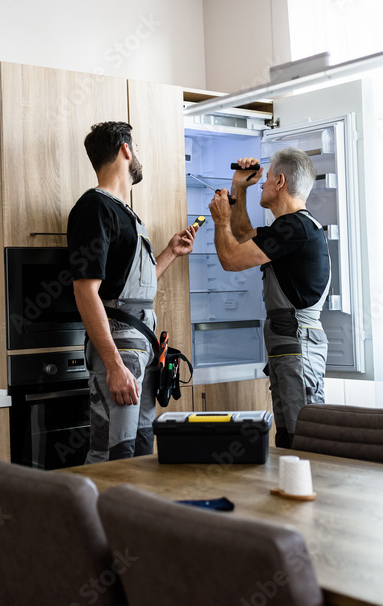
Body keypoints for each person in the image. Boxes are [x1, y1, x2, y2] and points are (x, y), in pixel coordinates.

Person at [68, 121, 197, 463]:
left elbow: (131, 288)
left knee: (140, 451)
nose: (137, 155)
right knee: (112, 453)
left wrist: (169, 252)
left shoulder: (126, 214)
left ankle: (131, 517)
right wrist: (113, 365)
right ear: (126, 149)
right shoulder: (94, 209)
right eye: (135, 148)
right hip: (119, 350)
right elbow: (86, 292)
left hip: (141, 347)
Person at [208, 149, 330, 448]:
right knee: (289, 437)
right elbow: (243, 235)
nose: (260, 184)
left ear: (280, 181)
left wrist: (221, 218)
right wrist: (239, 187)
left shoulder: (295, 227)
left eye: (266, 179)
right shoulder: (290, 227)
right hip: (286, 342)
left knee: (307, 438)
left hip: (297, 343)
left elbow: (231, 257)